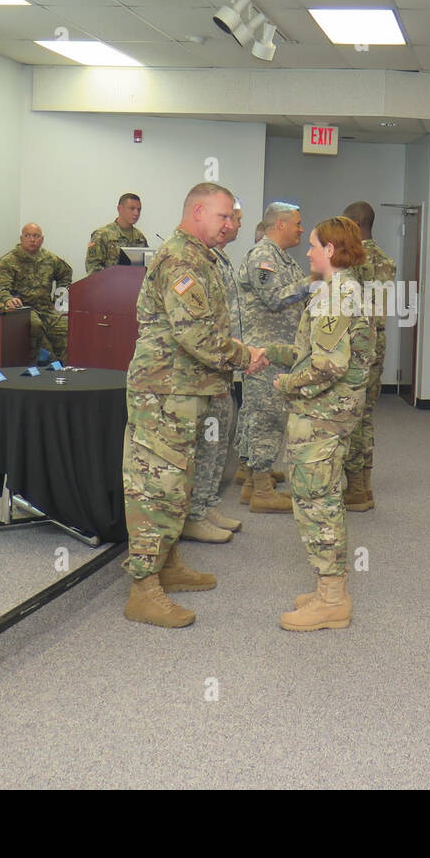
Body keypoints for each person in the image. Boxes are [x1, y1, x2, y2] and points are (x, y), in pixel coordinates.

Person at [120, 183, 267, 629]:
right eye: (223, 217)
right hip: (164, 393)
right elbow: (195, 335)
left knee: (177, 484)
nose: (230, 225)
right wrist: (243, 357)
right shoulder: (181, 259)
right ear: (197, 211)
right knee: (155, 487)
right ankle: (143, 590)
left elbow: (204, 327)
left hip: (186, 389)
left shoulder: (200, 255)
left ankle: (167, 564)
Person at [263, 217, 375, 631]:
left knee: (318, 501)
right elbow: (308, 350)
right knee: (321, 495)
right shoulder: (337, 292)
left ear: (329, 250)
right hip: (331, 413)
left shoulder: (336, 296)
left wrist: (287, 383)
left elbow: (328, 365)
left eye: (312, 245)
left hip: (323, 415)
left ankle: (332, 600)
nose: (307, 251)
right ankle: (329, 589)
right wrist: (269, 352)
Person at [237, 201, 313, 511]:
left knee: (262, 416)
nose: (301, 229)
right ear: (280, 224)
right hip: (264, 352)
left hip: (277, 350)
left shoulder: (282, 258)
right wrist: (314, 281)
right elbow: (274, 298)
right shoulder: (264, 256)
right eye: (297, 223)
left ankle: (253, 479)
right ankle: (262, 492)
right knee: (267, 418)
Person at [185, 201, 245, 542]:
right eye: (225, 217)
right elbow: (197, 328)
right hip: (206, 368)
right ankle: (194, 512)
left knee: (218, 437)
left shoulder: (218, 259)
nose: (231, 225)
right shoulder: (192, 260)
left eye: (233, 218)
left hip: (223, 365)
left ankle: (206, 504)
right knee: (206, 440)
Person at [341, 201, 397, 512]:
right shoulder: (386, 260)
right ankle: (364, 485)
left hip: (355, 347)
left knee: (353, 416)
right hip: (376, 345)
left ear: (355, 224)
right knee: (366, 416)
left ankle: (357, 488)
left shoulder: (355, 261)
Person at [0, 223, 73, 361]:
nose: (32, 239)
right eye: (27, 236)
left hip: (46, 309)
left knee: (67, 330)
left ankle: (64, 371)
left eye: (36, 236)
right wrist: (7, 299)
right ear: (21, 238)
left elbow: (66, 275)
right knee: (35, 327)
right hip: (22, 310)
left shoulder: (50, 259)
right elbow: (0, 289)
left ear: (42, 239)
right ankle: (47, 365)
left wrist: (59, 301)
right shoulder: (8, 261)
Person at [85, 192, 149, 274]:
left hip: (134, 285)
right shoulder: (102, 235)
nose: (136, 213)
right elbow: (92, 268)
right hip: (108, 285)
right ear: (119, 209)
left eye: (139, 209)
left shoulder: (140, 237)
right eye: (132, 208)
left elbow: (146, 266)